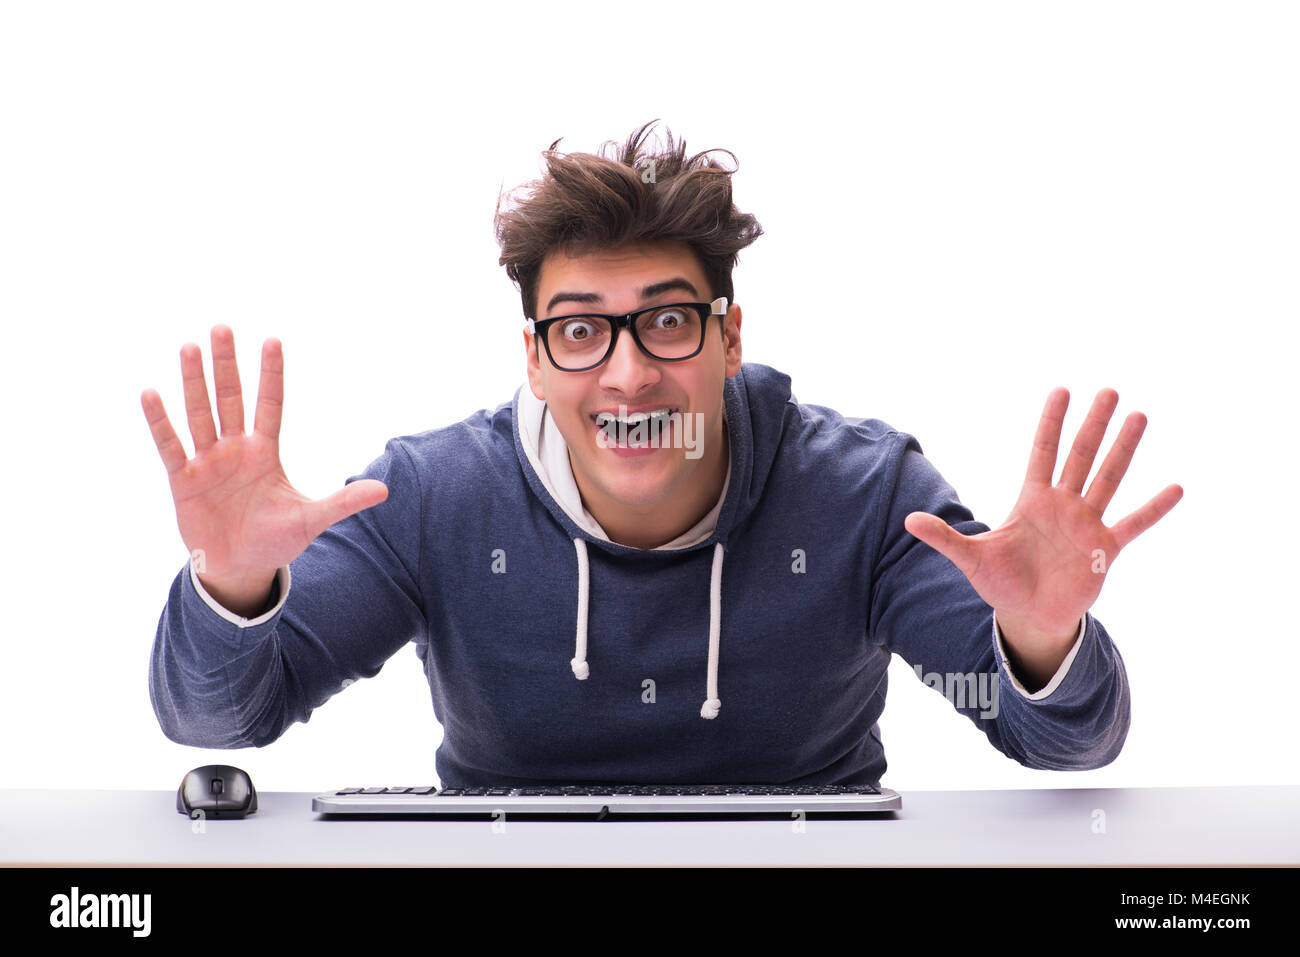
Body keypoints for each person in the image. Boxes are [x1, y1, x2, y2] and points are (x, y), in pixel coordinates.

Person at [141, 120, 1182, 787]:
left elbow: (1066, 742)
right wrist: (231, 584)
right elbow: (218, 721)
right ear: (536, 363)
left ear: (730, 338)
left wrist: (1041, 643)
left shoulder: (866, 495)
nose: (629, 376)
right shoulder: (431, 497)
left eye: (669, 323)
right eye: (581, 330)